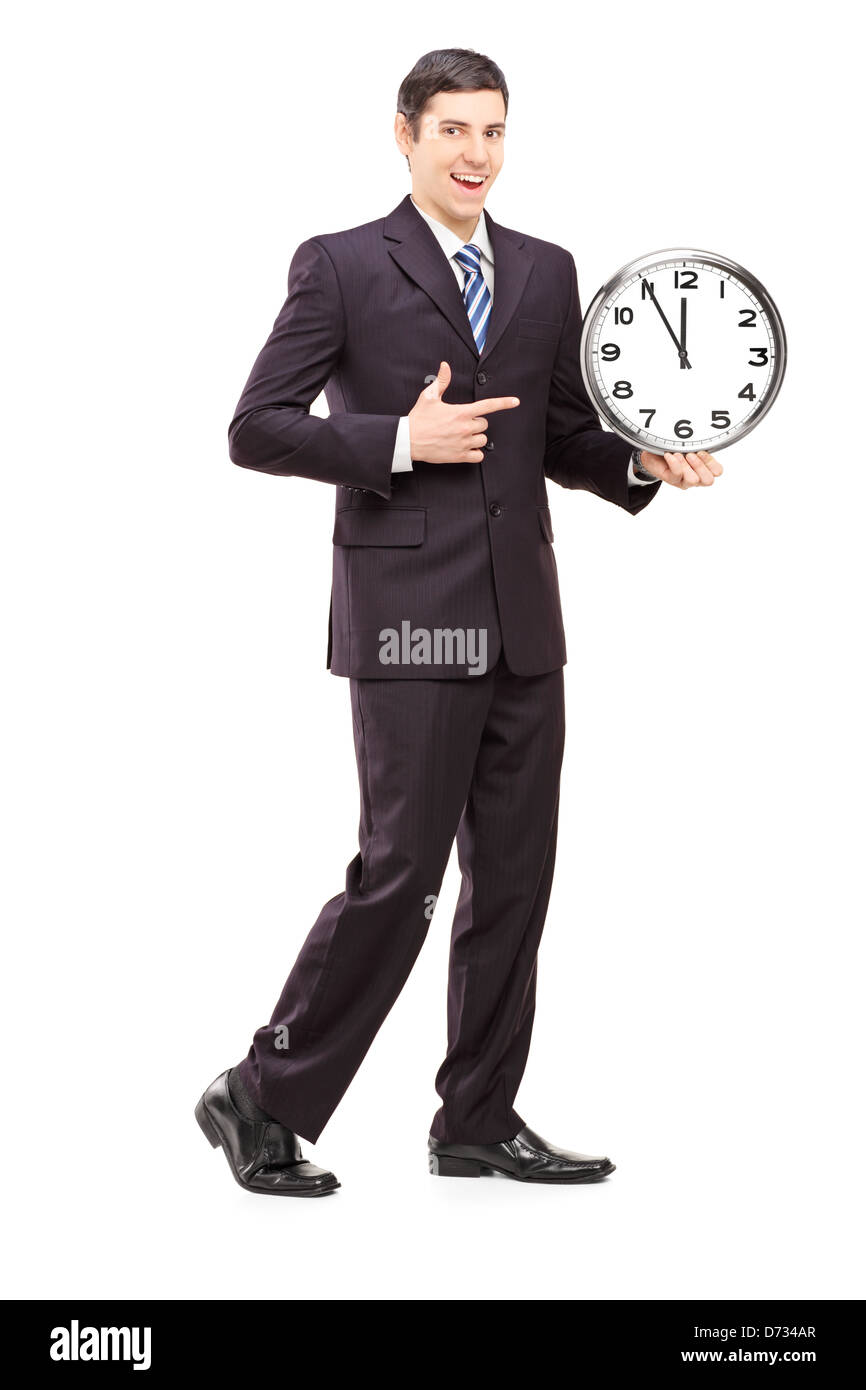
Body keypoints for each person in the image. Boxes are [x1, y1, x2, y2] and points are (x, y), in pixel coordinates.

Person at [195, 47, 722, 1197]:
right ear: (405, 136)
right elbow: (256, 425)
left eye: (492, 131)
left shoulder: (543, 269)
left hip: (523, 619)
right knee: (402, 873)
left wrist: (640, 457)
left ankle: (476, 1117)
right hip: (404, 620)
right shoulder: (339, 265)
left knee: (515, 878)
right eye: (452, 132)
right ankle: (261, 1091)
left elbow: (562, 434)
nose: (476, 153)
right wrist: (395, 439)